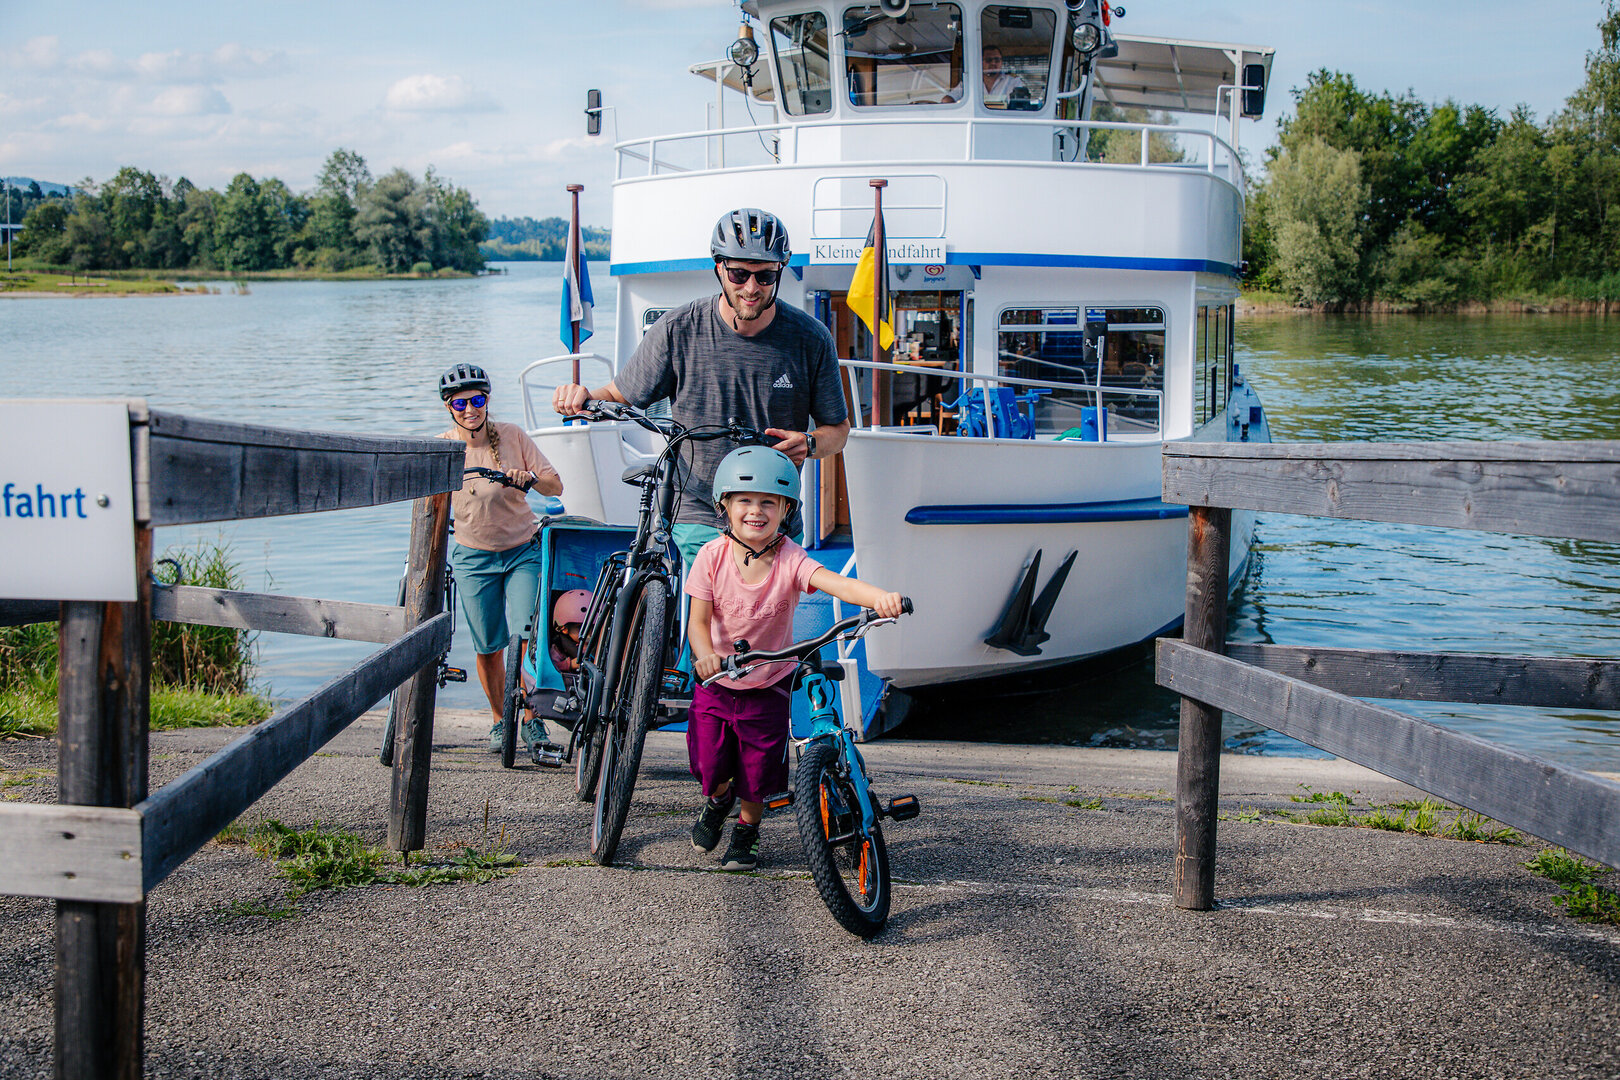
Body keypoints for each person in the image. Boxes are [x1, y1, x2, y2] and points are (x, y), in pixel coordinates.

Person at [550, 208, 851, 566]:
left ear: (779, 273)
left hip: (774, 513)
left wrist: (811, 442)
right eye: (739, 274)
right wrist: (581, 397)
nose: (751, 288)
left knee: (767, 621)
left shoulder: (811, 338)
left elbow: (839, 430)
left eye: (766, 276)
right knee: (702, 622)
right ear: (719, 268)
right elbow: (618, 396)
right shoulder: (678, 328)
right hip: (697, 512)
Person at [685, 447, 904, 871]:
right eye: (745, 501)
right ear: (724, 506)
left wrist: (879, 597)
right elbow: (697, 621)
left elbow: (833, 581)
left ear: (786, 509)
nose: (756, 511)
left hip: (769, 683)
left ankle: (746, 833)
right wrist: (706, 655)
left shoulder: (790, 558)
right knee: (710, 766)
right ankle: (716, 801)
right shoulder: (711, 557)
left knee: (758, 772)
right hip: (717, 682)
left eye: (769, 501)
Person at [436, 363, 565, 754]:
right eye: (461, 403)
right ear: (449, 407)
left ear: (487, 401)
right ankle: (498, 720)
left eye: (477, 400)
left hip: (521, 551)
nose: (470, 409)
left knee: (526, 638)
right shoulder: (444, 447)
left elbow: (554, 484)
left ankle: (532, 720)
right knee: (488, 645)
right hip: (473, 558)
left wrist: (527, 476)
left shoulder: (512, 435)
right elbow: (431, 508)